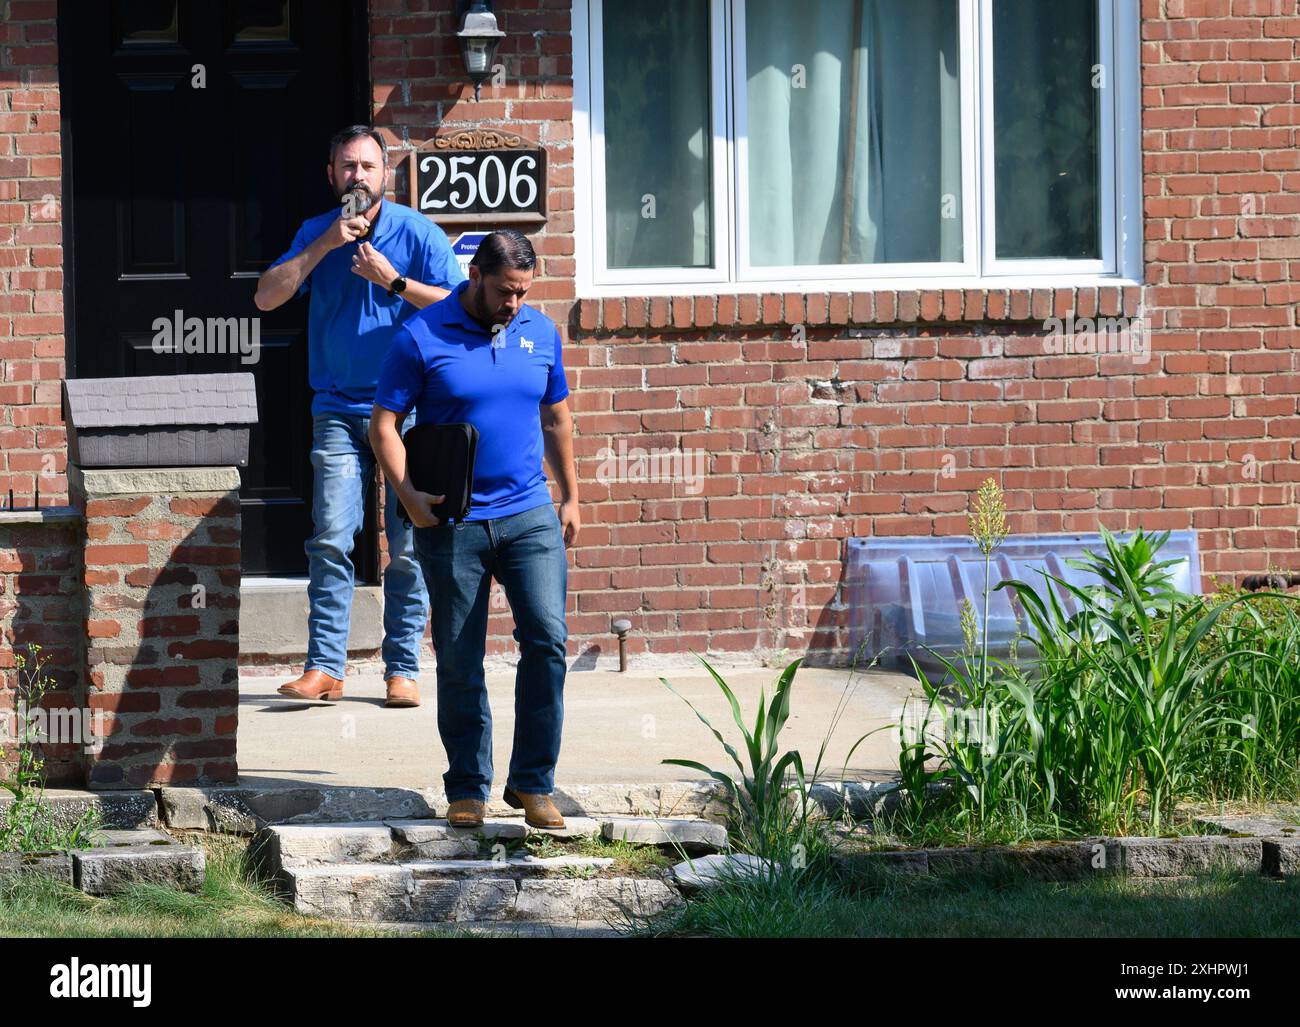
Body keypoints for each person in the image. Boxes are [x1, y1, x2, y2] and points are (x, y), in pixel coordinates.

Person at [368, 230, 579, 829]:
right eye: (506, 291)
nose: (515, 304)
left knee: (546, 639)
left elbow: (557, 418)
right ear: (477, 276)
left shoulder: (540, 331)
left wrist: (572, 497)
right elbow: (383, 425)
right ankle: (467, 786)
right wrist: (406, 494)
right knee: (460, 655)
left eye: (524, 293)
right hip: (452, 520)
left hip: (528, 512)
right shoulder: (421, 335)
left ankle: (534, 784)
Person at [254, 125, 465, 709]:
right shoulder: (313, 233)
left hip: (407, 413)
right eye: (348, 167)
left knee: (410, 540)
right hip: (338, 411)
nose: (358, 177)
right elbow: (266, 297)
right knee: (330, 537)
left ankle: (402, 669)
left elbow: (462, 306)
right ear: (332, 175)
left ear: (385, 173)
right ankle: (325, 667)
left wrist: (393, 281)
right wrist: (324, 244)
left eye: (368, 167)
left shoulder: (416, 232)